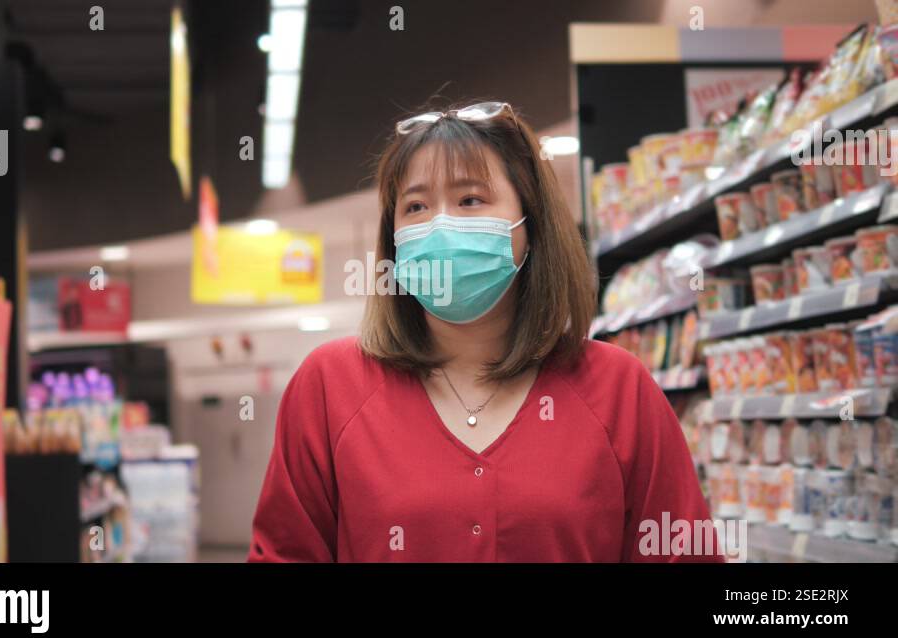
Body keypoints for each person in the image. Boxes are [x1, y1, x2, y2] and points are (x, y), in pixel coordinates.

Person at [248, 101, 723, 562]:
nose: (440, 225)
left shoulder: (618, 388)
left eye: (470, 199)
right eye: (415, 206)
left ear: (530, 223)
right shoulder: (332, 386)